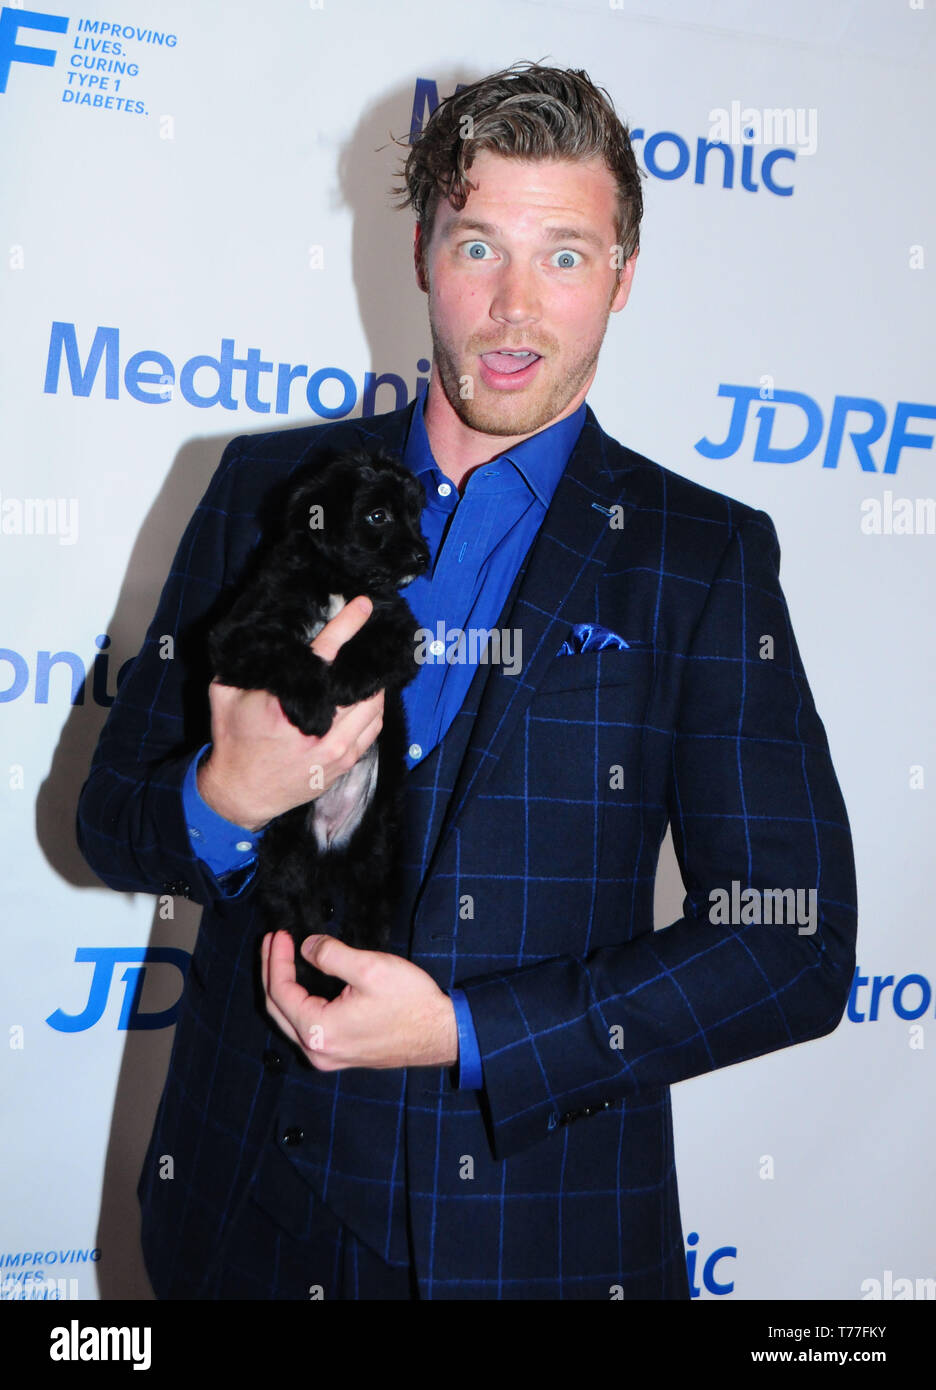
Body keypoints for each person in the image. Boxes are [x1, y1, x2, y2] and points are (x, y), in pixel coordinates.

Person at [77, 61, 857, 1300]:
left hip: (538, 1254)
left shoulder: (700, 559)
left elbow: (794, 946)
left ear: (623, 277)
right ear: (423, 253)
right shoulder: (260, 490)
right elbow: (108, 823)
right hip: (236, 1228)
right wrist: (223, 796)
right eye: (478, 243)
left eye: (564, 255)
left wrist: (468, 1033)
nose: (512, 309)